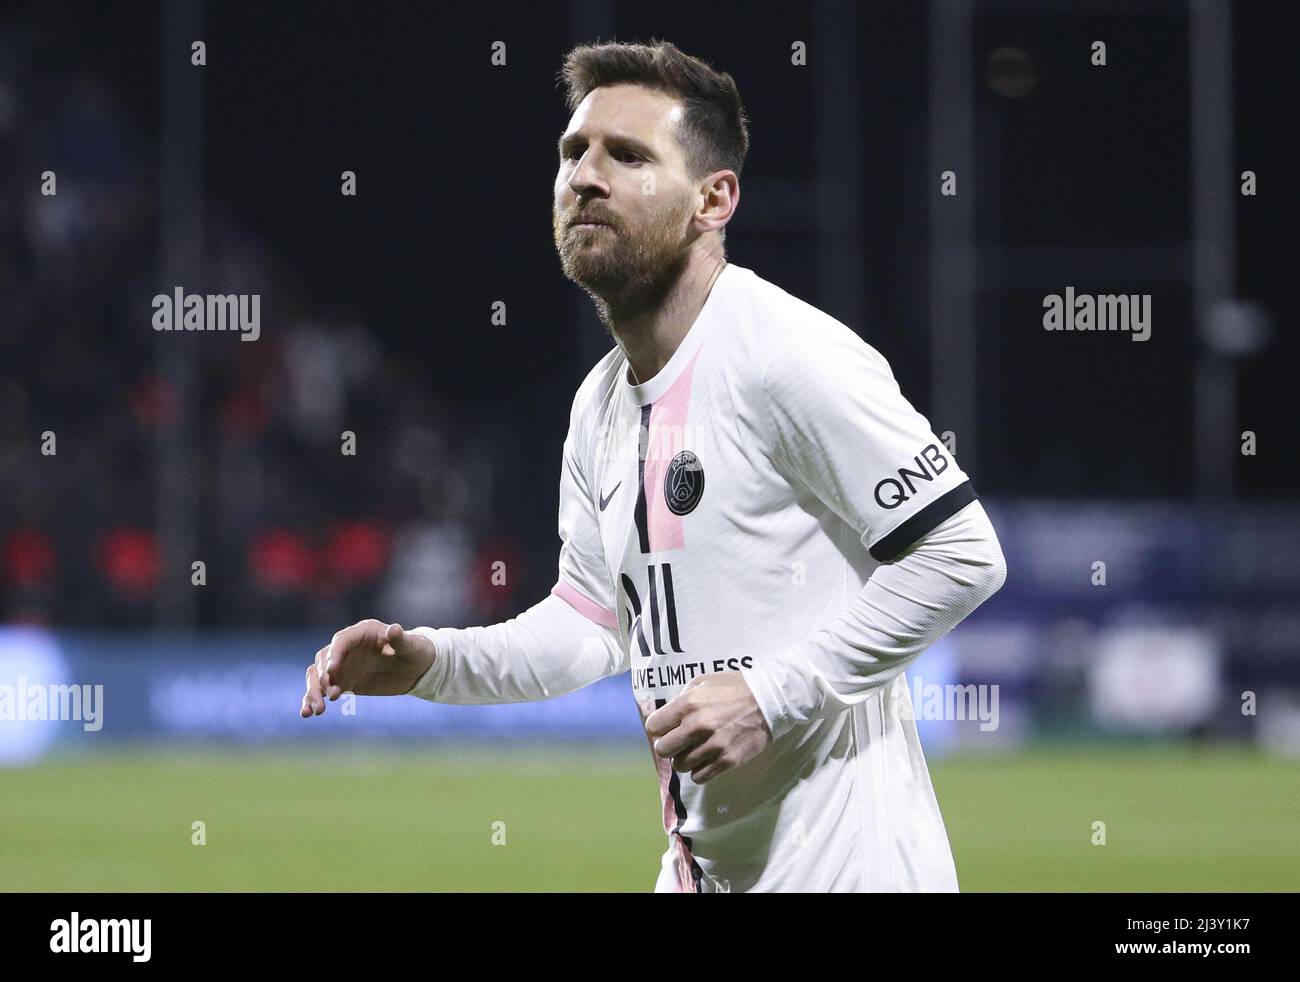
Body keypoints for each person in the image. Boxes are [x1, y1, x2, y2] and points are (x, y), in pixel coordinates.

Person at [301, 39, 1007, 893]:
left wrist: (770, 696)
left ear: (715, 198)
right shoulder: (599, 406)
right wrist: (429, 662)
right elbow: (593, 627)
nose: (585, 176)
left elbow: (962, 553)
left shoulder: (787, 354)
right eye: (573, 152)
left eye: (627, 155)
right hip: (699, 870)